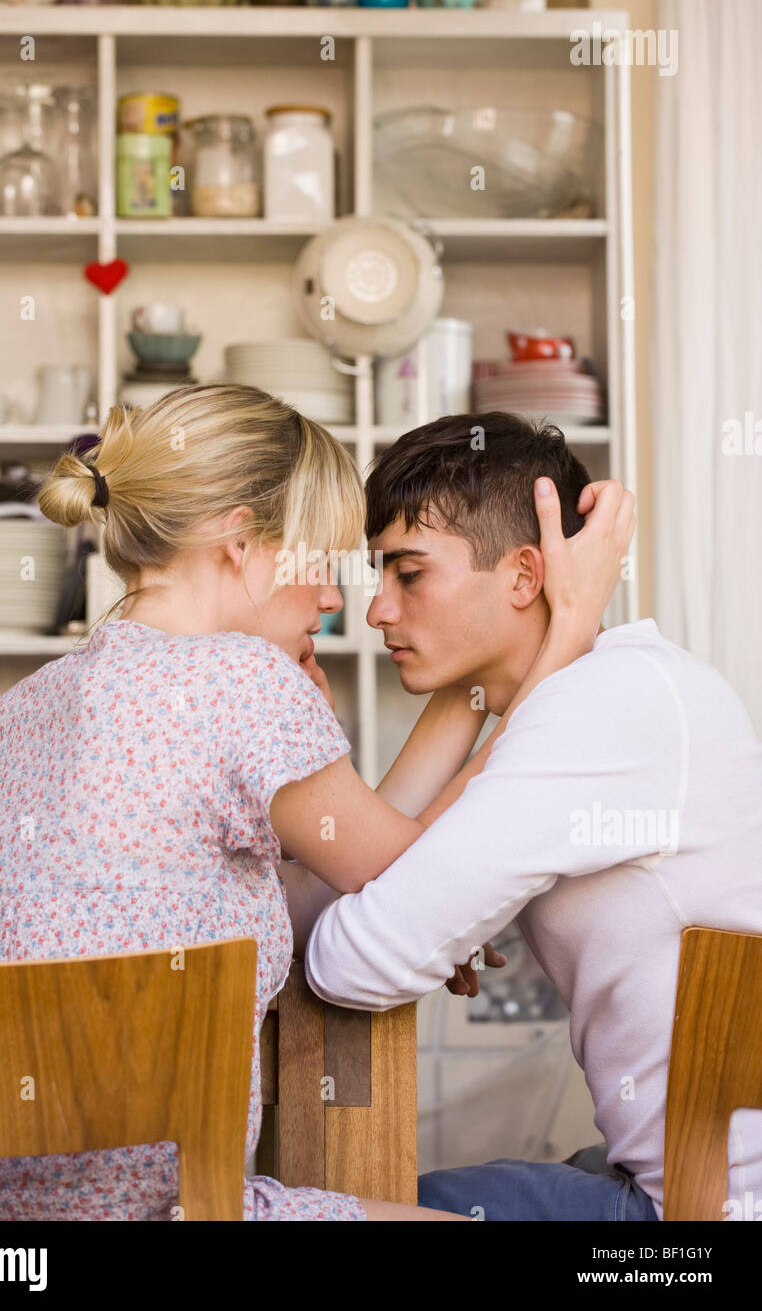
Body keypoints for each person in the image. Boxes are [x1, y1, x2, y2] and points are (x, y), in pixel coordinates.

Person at [0, 386, 631, 1222]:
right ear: (241, 544)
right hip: (160, 1210)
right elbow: (413, 873)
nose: (331, 598)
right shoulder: (244, 683)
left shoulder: (21, 705)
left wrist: (470, 683)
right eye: (317, 560)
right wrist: (563, 633)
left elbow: (362, 867)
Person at [304, 411, 762, 1222]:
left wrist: (415, 913)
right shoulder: (624, 686)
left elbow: (349, 963)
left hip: (702, 1209)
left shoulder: (600, 709)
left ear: (524, 577)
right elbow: (365, 873)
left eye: (408, 573)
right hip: (691, 1179)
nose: (375, 611)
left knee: (347, 1211)